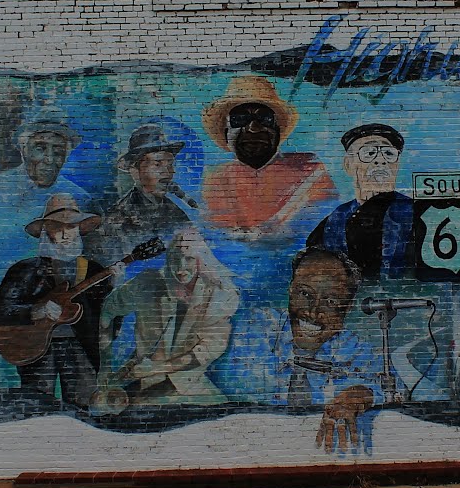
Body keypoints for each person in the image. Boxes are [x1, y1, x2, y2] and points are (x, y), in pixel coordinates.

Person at [223, 247, 381, 451]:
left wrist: (361, 394)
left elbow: (390, 387)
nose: (313, 311)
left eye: (331, 301)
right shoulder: (254, 329)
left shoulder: (357, 350)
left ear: (348, 307)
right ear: (291, 288)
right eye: (305, 293)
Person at [0, 194, 125, 408]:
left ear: (79, 229)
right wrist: (36, 311)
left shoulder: (94, 271)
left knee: (83, 406)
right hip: (35, 348)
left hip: (80, 347)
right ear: (46, 232)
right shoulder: (26, 270)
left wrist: (115, 289)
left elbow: (109, 320)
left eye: (71, 228)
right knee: (36, 406)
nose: (64, 235)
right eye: (57, 228)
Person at [96, 227, 238, 407]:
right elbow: (107, 310)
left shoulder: (218, 297)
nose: (180, 267)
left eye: (189, 258)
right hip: (137, 385)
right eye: (175, 258)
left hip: (189, 388)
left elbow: (205, 352)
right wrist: (105, 366)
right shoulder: (147, 283)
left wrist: (155, 368)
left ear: (201, 260)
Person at [201, 75, 335, 240]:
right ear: (226, 130)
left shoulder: (311, 169)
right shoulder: (215, 179)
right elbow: (215, 233)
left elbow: (324, 223)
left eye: (265, 118)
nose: (254, 128)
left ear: (277, 128)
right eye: (239, 119)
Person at [306, 124, 413, 281]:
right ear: (348, 165)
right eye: (369, 153)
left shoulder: (416, 213)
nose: (381, 161)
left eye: (389, 154)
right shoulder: (333, 222)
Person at [98, 124, 195, 261]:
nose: (168, 172)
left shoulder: (177, 213)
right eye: (157, 164)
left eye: (170, 164)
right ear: (135, 171)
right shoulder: (118, 218)